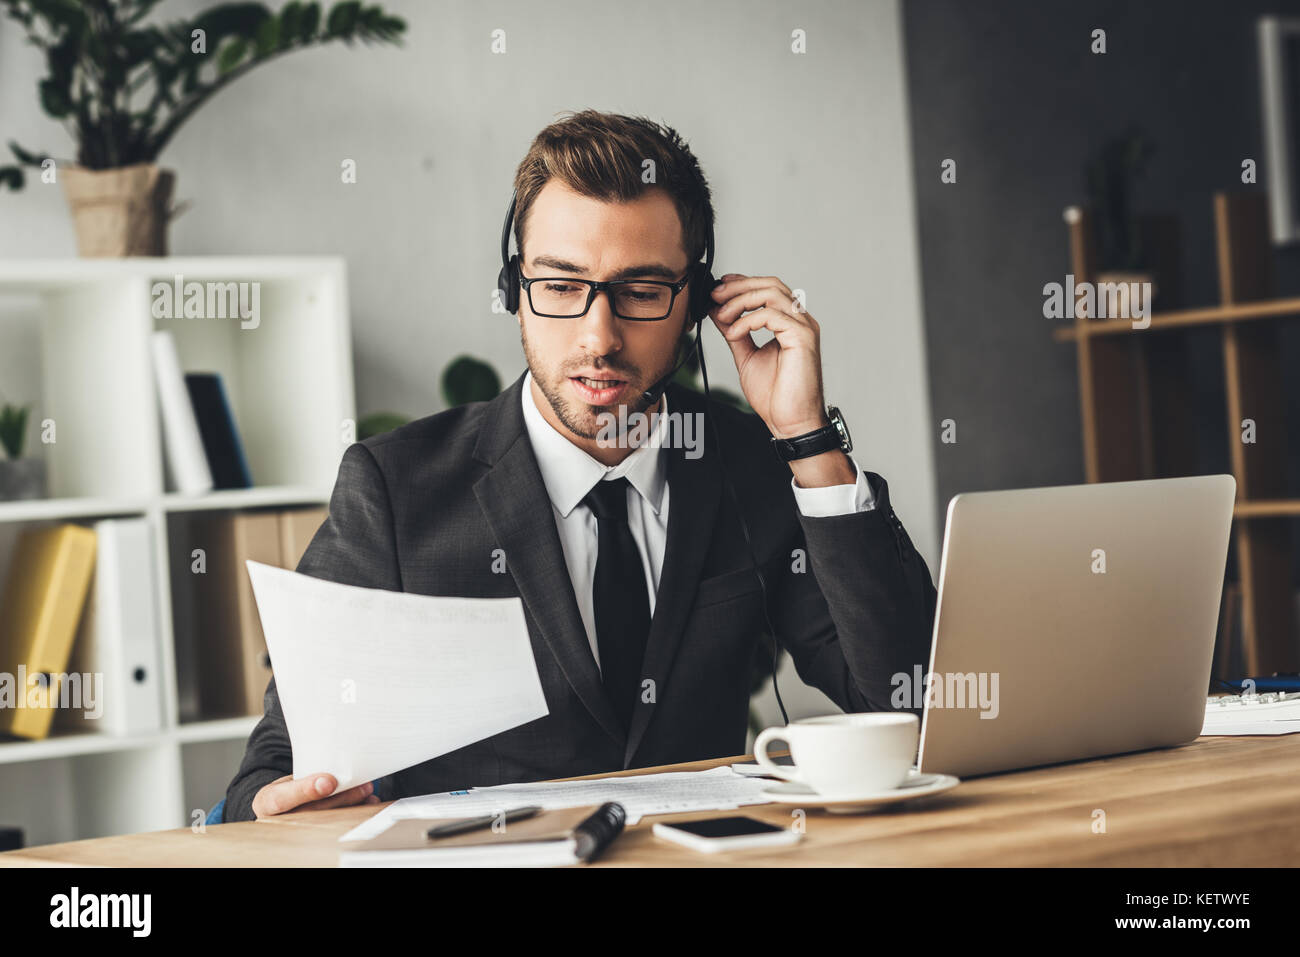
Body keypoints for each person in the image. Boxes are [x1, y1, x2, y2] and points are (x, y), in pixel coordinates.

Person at [224, 109, 936, 822]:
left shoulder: (748, 465)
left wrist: (807, 440)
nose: (600, 338)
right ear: (515, 291)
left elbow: (907, 701)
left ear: (694, 304)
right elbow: (271, 769)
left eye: (642, 290)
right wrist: (277, 800)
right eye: (562, 287)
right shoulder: (396, 490)